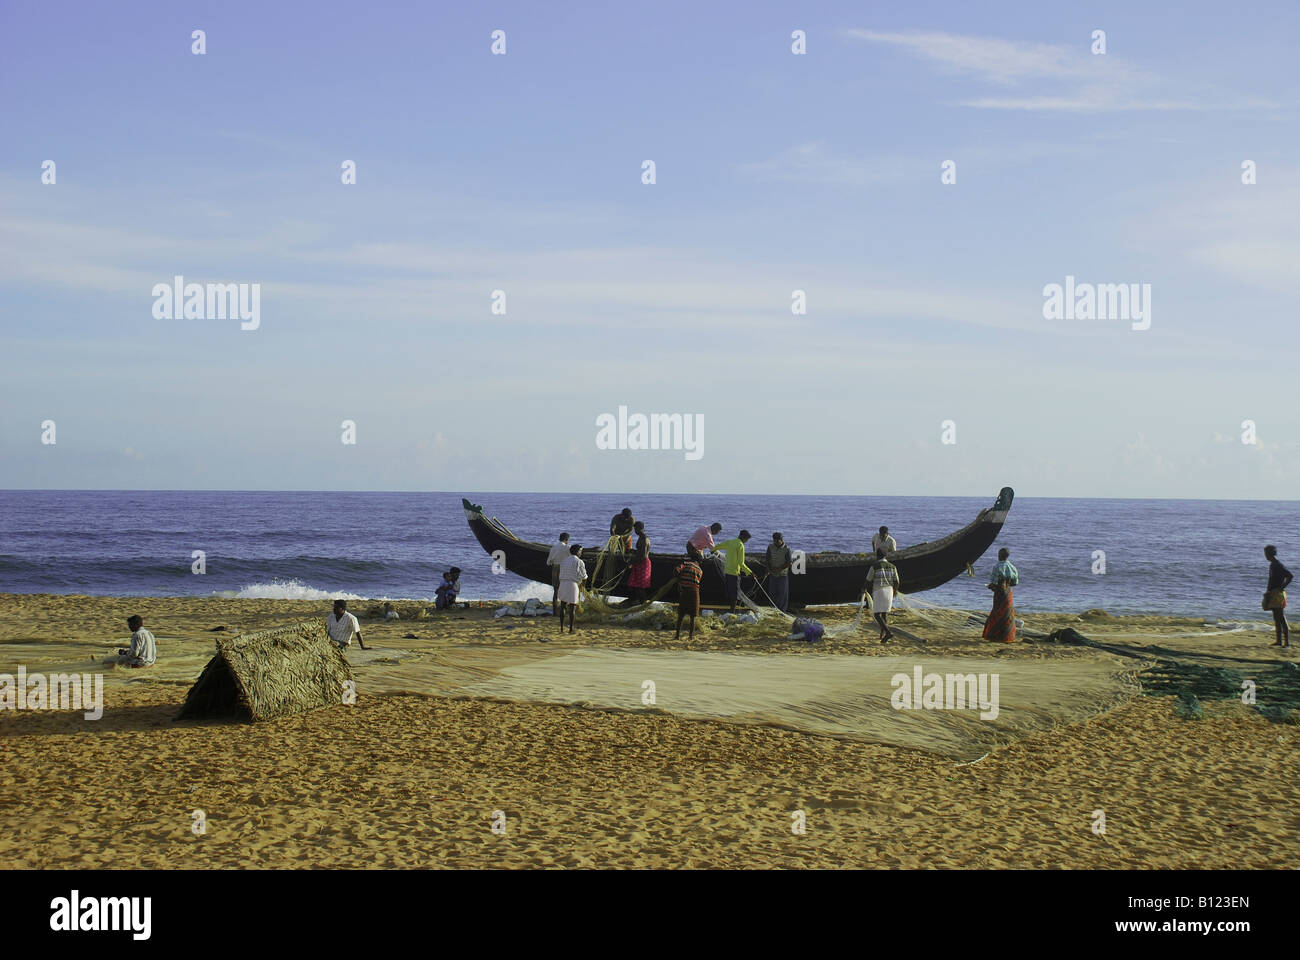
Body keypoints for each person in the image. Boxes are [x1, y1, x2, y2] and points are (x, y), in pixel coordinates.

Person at [983, 548, 1019, 644]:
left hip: (1000, 592)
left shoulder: (997, 566)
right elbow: (1015, 582)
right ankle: (1007, 636)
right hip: (1008, 592)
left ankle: (995, 636)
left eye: (999, 554)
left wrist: (990, 586)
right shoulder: (1012, 567)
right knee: (1007, 612)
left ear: (1000, 555)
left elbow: (994, 582)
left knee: (998, 611)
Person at [713, 530, 753, 614]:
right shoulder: (740, 545)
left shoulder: (731, 542)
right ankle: (732, 611)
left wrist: (713, 550)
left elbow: (720, 546)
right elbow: (741, 563)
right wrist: (749, 572)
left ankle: (731, 610)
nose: (746, 541)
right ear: (743, 537)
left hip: (727, 572)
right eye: (746, 540)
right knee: (734, 593)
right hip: (734, 573)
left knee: (729, 591)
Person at [866, 549, 900, 642]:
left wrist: (864, 590)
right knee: (884, 613)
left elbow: (868, 580)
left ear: (877, 556)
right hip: (889, 590)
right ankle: (883, 633)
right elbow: (897, 582)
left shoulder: (875, 566)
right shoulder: (893, 567)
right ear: (885, 556)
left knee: (877, 615)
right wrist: (894, 591)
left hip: (879, 590)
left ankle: (888, 632)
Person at [1263, 545, 1293, 648]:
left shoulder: (1278, 565)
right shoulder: (1272, 564)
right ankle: (1279, 641)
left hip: (1278, 594)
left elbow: (1290, 575)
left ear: (1270, 554)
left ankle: (1287, 643)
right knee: (1276, 618)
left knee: (1281, 618)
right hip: (1272, 593)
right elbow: (1271, 579)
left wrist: (1281, 587)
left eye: (1266, 553)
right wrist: (1268, 591)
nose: (1265, 556)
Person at [674, 546, 704, 640]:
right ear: (698, 561)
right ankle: (691, 636)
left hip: (685, 590)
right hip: (695, 592)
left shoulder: (685, 563)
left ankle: (677, 635)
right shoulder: (700, 570)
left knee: (681, 614)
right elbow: (697, 582)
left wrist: (679, 581)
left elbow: (676, 570)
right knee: (693, 616)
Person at [557, 544, 588, 634]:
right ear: (577, 551)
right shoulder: (579, 562)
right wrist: (583, 586)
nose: (581, 553)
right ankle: (571, 629)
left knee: (563, 605)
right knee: (572, 608)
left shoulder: (564, 561)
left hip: (562, 583)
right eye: (580, 551)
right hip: (572, 584)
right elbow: (584, 576)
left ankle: (562, 628)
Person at [764, 532, 793, 612]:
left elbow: (789, 562)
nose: (775, 542)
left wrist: (779, 569)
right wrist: (768, 569)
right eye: (774, 541)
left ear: (781, 540)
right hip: (772, 574)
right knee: (772, 593)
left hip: (782, 575)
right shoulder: (770, 547)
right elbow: (767, 559)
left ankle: (782, 611)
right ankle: (773, 610)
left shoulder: (787, 549)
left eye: (777, 541)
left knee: (782, 595)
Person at [626, 521, 652, 604]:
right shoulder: (641, 537)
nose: (635, 531)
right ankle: (634, 601)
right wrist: (633, 551)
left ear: (638, 529)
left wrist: (631, 562)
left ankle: (642, 604)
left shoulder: (644, 539)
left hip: (643, 564)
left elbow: (643, 555)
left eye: (635, 529)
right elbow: (640, 551)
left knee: (640, 587)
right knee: (633, 584)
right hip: (638, 563)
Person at [547, 532, 571, 615]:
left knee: (556, 591)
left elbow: (548, 562)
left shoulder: (554, 547)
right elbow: (573, 556)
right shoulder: (567, 547)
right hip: (564, 568)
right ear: (566, 540)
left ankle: (555, 612)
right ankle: (563, 611)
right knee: (565, 591)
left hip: (555, 568)